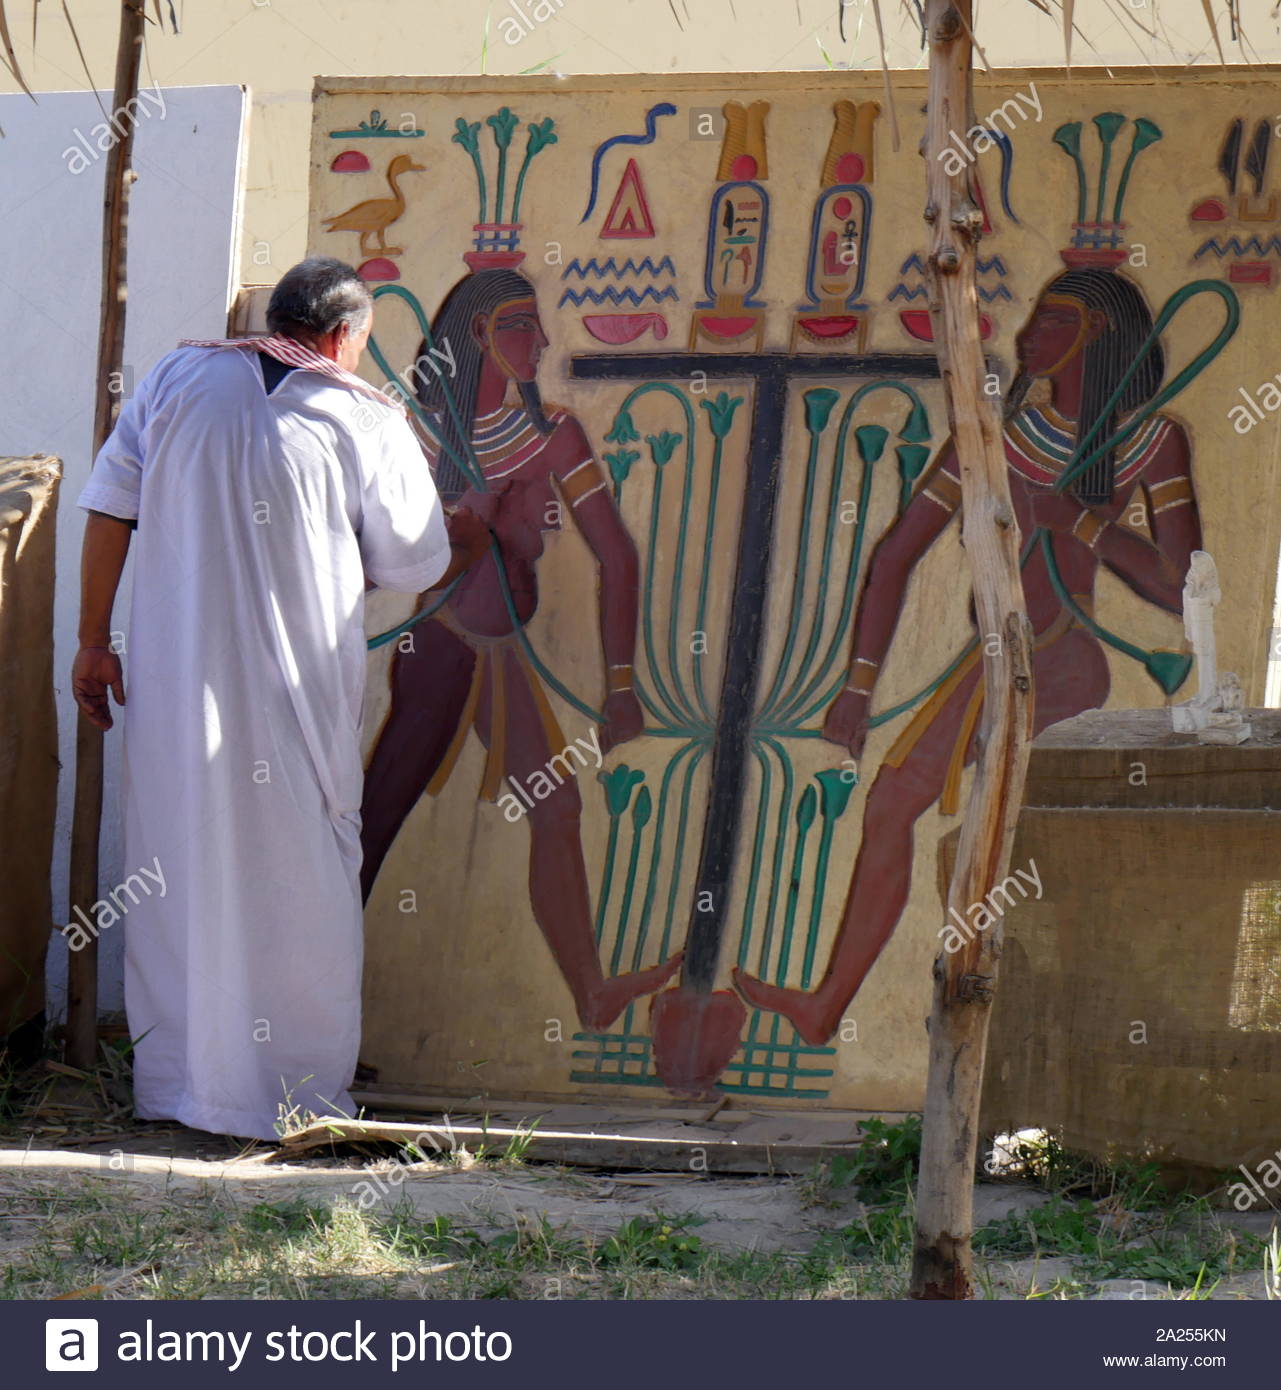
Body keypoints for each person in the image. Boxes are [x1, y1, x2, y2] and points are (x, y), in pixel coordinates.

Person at [72, 257, 492, 1141]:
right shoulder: (364, 417)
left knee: (181, 874)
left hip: (174, 693)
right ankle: (290, 1098)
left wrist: (90, 640)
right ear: (345, 338)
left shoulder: (177, 377)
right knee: (299, 885)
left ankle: (182, 1088)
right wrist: (469, 527)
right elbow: (415, 563)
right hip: (293, 701)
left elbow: (109, 504)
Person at [736, 267, 1201, 1045]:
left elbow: (1184, 589)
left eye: (1050, 319)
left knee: (1028, 854)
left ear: (1095, 333)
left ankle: (1073, 1021)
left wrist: (1080, 525)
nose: (1025, 336)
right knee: (891, 806)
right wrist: (855, 688)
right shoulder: (992, 435)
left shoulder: (1152, 442)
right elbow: (893, 557)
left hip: (1061, 666)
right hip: (985, 663)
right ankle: (829, 1007)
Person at [359, 267, 682, 1028]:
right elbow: (372, 553)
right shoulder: (410, 430)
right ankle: (310, 1007)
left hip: (502, 657)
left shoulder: (549, 433)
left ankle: (590, 993)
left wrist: (622, 685)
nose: (537, 343)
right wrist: (472, 526)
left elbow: (617, 556)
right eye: (518, 327)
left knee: (555, 806)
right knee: (375, 818)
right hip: (439, 651)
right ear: (476, 336)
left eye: (535, 327)